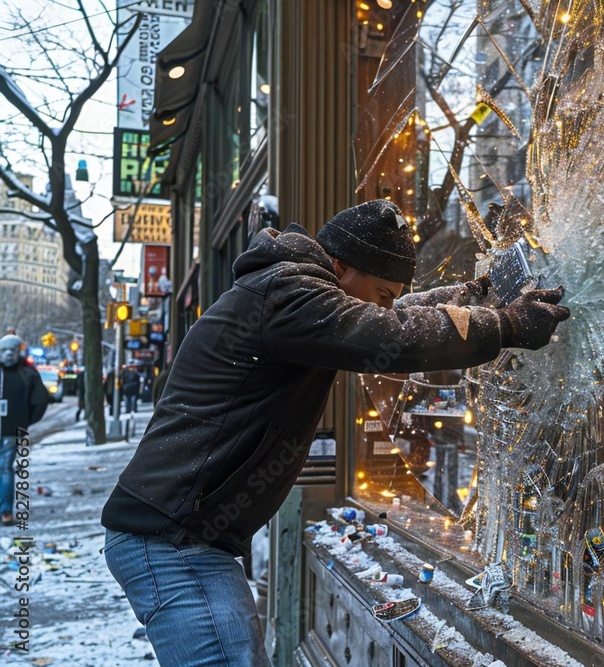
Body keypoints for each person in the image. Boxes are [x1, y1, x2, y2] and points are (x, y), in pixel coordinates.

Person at [101, 199, 569, 666]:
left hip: (183, 535)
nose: (385, 305)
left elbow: (393, 315)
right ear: (339, 267)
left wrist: (473, 294)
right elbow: (390, 333)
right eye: (381, 293)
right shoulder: (287, 292)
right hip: (173, 539)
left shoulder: (287, 290)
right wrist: (506, 324)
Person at [0, 334, 49, 526]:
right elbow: (40, 400)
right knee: (5, 469)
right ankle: (5, 511)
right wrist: (26, 421)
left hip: (13, 429)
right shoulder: (28, 373)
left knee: (4, 468)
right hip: (14, 429)